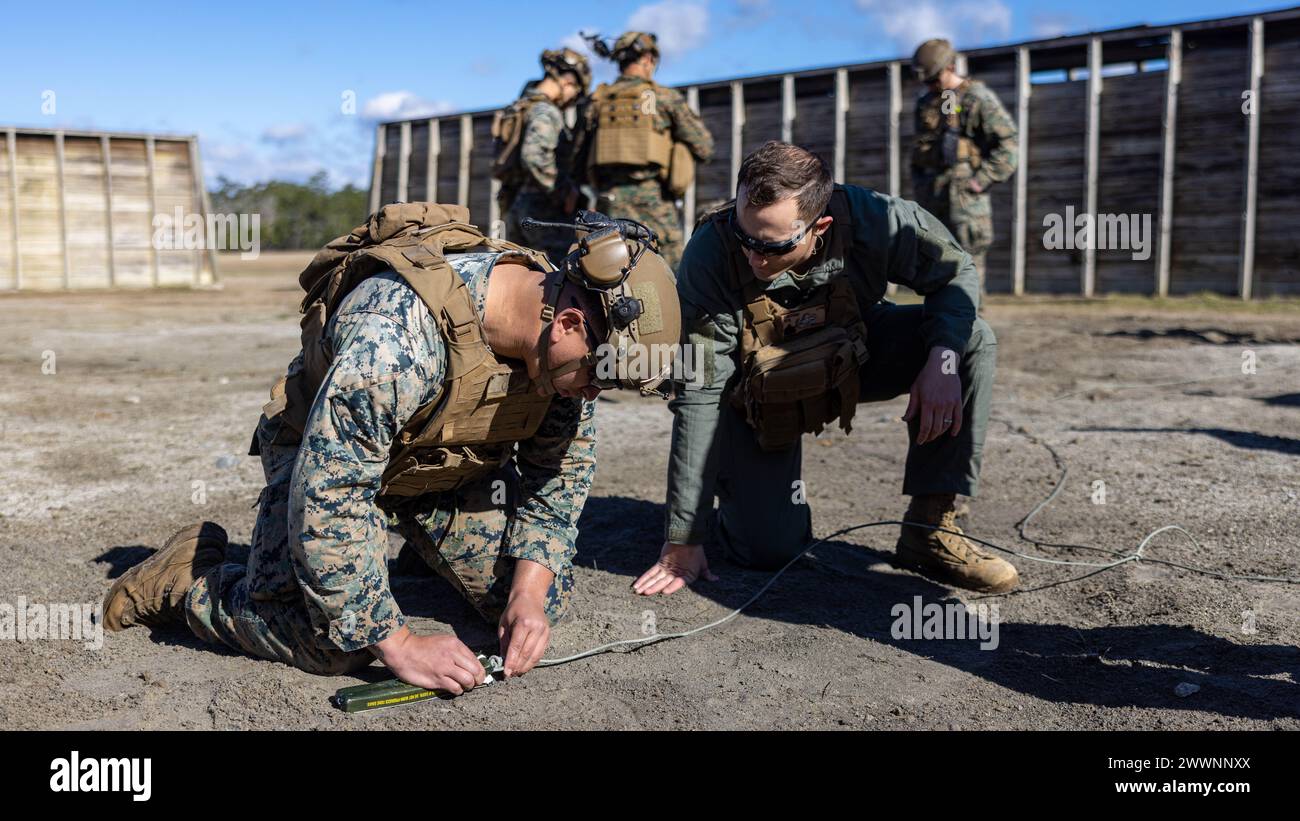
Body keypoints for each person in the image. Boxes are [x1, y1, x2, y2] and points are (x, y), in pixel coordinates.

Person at [103, 203, 680, 694]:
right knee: (333, 646)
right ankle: (189, 580)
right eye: (595, 378)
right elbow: (331, 490)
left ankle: (412, 554)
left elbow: (560, 476)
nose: (594, 391)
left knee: (538, 607)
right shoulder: (397, 334)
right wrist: (398, 642)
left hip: (443, 471)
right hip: (327, 471)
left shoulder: (560, 352)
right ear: (571, 322)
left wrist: (528, 592)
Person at [635, 141, 1019, 598]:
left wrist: (943, 359)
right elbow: (699, 391)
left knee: (970, 339)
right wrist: (684, 537)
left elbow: (954, 274)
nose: (755, 258)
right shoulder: (711, 252)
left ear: (821, 226)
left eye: (772, 246)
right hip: (756, 397)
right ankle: (739, 491)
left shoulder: (877, 219)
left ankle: (929, 528)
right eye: (746, 238)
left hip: (850, 360)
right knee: (768, 551)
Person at [574, 30, 714, 270]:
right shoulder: (663, 97)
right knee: (673, 276)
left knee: (610, 273)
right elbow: (704, 147)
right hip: (655, 203)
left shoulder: (596, 101)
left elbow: (576, 158)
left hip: (609, 203)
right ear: (649, 59)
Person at [910, 38, 1018, 293]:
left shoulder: (976, 98)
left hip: (966, 201)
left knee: (967, 271)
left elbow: (1009, 144)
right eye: (926, 81)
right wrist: (920, 185)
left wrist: (981, 180)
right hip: (933, 197)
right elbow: (919, 150)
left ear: (950, 67)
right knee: (935, 266)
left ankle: (969, 329)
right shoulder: (926, 103)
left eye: (934, 78)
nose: (930, 85)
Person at [494, 48, 591, 265]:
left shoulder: (518, 108)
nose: (571, 99)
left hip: (514, 205)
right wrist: (564, 191)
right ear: (568, 83)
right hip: (543, 210)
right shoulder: (545, 111)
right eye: (575, 92)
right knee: (560, 274)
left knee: (517, 273)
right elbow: (533, 155)